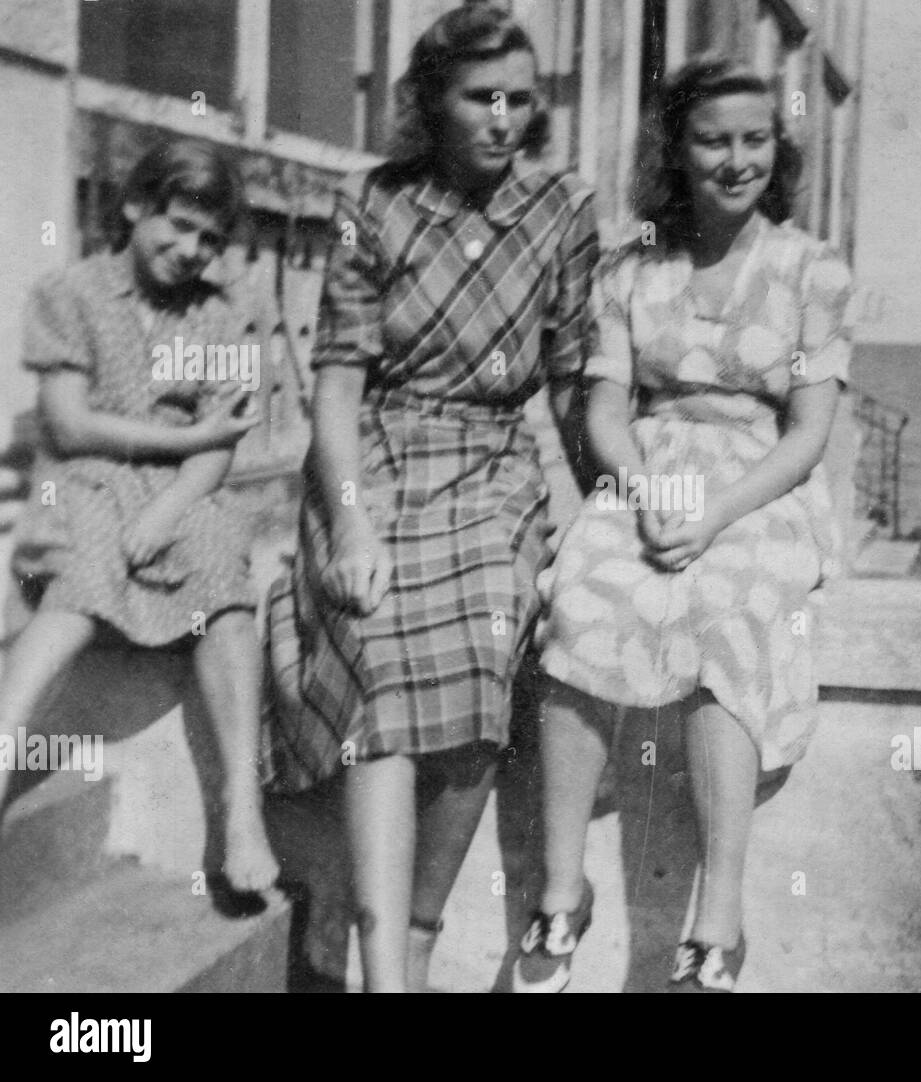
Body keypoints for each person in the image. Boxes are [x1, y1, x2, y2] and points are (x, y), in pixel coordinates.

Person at [261, 4, 598, 993]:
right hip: (375, 452)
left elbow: (573, 377)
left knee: (489, 644)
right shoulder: (375, 204)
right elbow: (334, 382)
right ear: (430, 101)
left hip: (494, 466)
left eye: (519, 100)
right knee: (375, 630)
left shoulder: (560, 212)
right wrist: (350, 514)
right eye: (479, 97)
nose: (502, 118)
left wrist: (594, 503)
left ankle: (411, 933)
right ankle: (382, 967)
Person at [513, 56, 853, 993]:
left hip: (761, 486)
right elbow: (605, 413)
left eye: (753, 139)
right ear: (679, 151)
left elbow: (810, 433)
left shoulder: (811, 270)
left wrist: (714, 514)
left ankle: (720, 912)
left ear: (776, 149)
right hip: (651, 470)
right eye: (712, 140)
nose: (735, 159)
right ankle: (560, 887)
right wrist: (649, 492)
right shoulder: (632, 270)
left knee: (729, 608)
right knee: (580, 594)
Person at [0, 140, 279, 894]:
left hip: (182, 492)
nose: (191, 251)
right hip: (85, 476)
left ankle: (243, 813)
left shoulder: (227, 318)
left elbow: (219, 450)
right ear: (133, 208)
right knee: (83, 578)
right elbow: (69, 424)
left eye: (211, 240)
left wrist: (170, 504)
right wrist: (185, 439)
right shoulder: (71, 292)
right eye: (179, 225)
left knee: (226, 585)